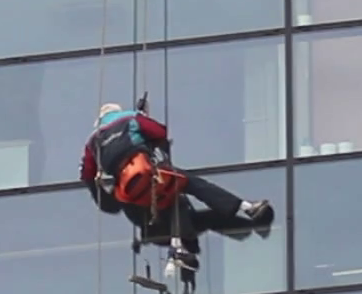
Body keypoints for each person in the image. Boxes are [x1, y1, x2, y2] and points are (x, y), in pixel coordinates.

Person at [78, 103, 274, 272]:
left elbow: (86, 174)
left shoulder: (92, 142)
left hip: (129, 194)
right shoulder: (131, 118)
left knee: (170, 199)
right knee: (192, 185)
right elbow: (160, 131)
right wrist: (145, 124)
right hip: (147, 172)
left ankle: (179, 249)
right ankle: (247, 207)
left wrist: (101, 197)